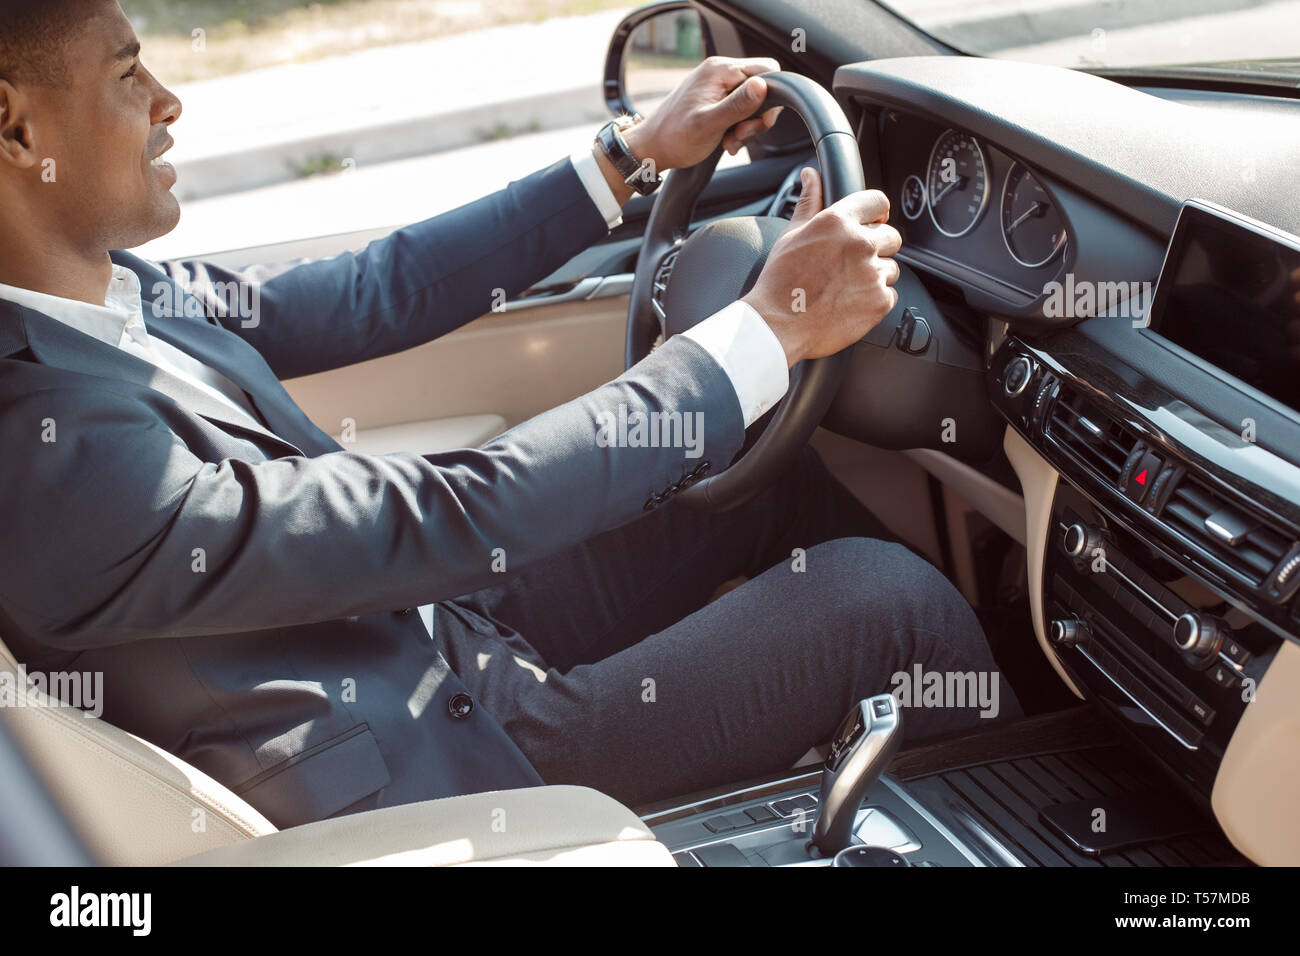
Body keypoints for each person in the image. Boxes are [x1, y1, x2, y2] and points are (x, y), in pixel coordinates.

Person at [0, 0, 1016, 827]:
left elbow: (375, 288)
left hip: (424, 626)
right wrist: (763, 332)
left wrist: (631, 154)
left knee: (760, 470)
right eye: (128, 74)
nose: (168, 101)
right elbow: (443, 518)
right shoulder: (45, 456)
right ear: (16, 127)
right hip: (442, 761)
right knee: (883, 601)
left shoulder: (113, 294)